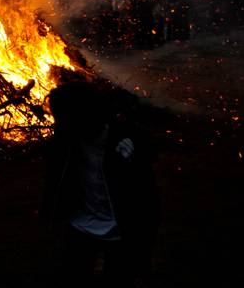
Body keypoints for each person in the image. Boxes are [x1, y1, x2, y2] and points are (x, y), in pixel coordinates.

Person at [42, 81, 159, 287]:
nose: (59, 125)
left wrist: (143, 245)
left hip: (121, 229)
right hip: (81, 224)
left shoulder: (126, 143)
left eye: (65, 120)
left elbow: (147, 200)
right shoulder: (65, 143)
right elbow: (54, 183)